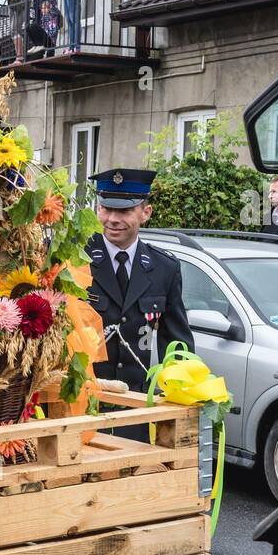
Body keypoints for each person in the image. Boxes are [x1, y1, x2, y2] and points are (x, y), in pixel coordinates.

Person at [84, 168, 194, 392]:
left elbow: (177, 345)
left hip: (136, 407)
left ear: (146, 212)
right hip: (83, 404)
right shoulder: (75, 259)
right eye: (107, 209)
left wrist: (176, 395)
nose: (113, 219)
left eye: (125, 211)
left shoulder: (164, 268)